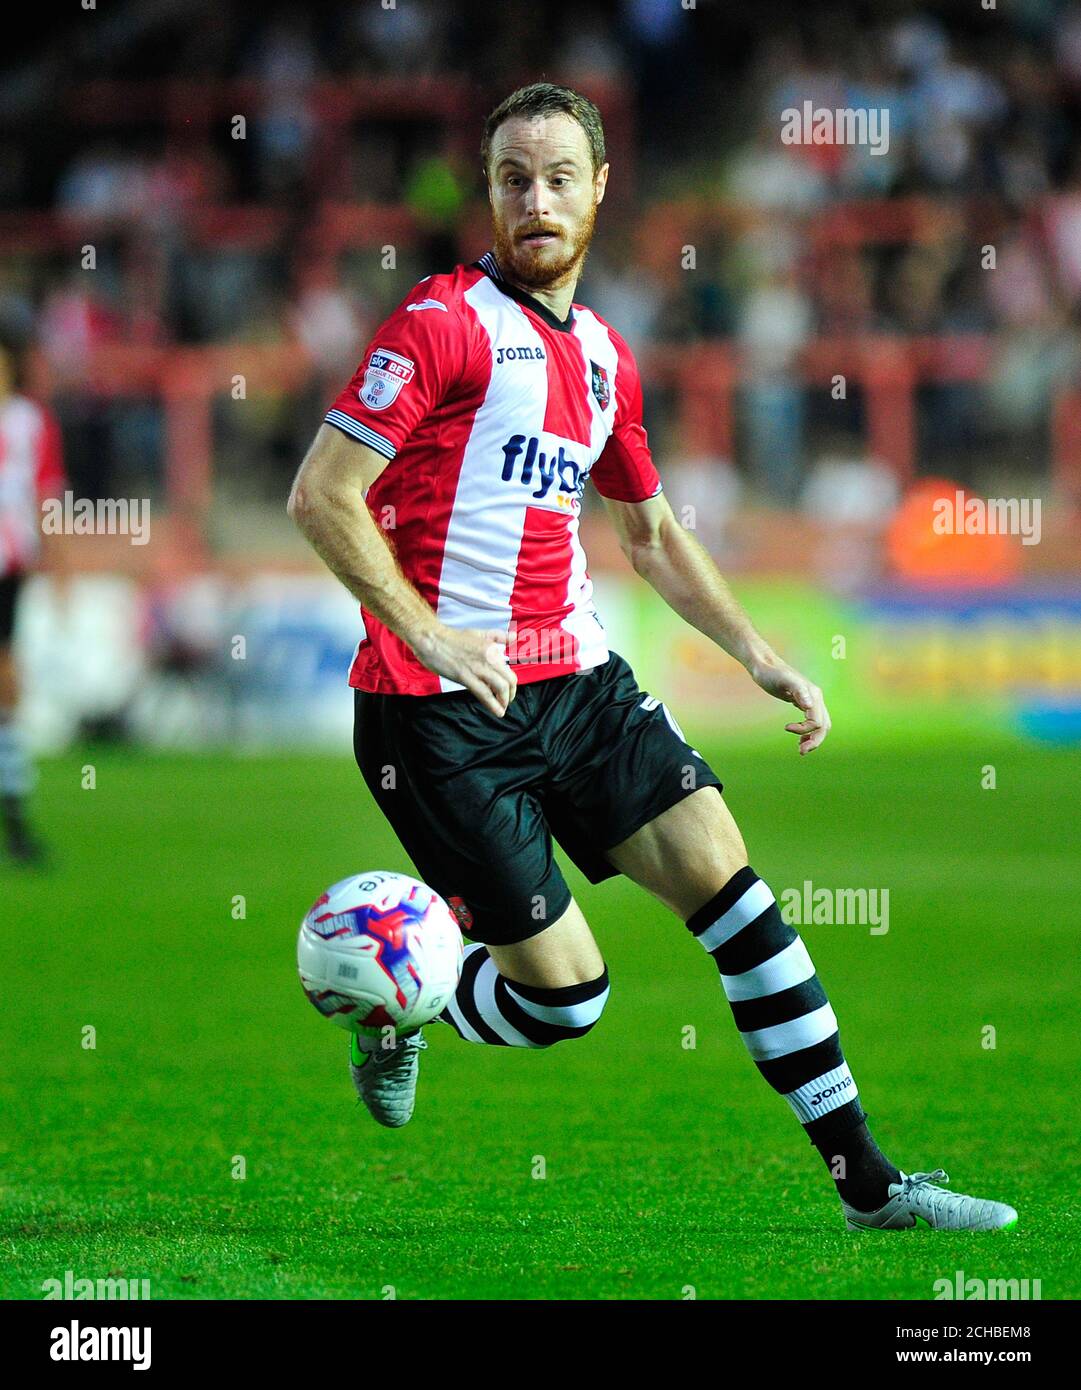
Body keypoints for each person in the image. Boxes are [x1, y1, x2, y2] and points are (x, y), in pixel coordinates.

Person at [289, 84, 1016, 1233]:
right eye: (513, 178)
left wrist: (759, 652)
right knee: (568, 1003)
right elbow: (321, 494)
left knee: (739, 895)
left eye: (559, 177)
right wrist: (421, 626)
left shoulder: (604, 362)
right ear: (488, 193)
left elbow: (653, 533)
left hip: (581, 686)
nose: (536, 199)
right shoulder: (438, 325)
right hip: (439, 709)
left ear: (598, 189)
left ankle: (866, 1185)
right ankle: (404, 1003)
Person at [0, 323, 66, 865]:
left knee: (6, 687)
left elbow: (45, 497)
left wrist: (57, 564)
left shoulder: (29, 421)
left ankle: (16, 815)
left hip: (7, 570)